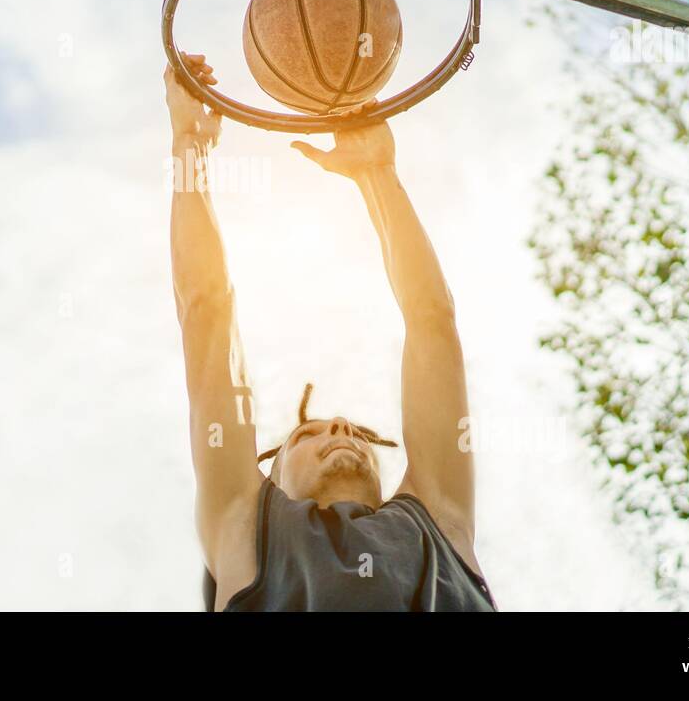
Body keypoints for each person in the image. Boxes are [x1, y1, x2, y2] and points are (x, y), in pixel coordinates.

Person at [166, 53, 496, 612]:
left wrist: (376, 173)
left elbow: (433, 321)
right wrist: (189, 146)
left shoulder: (440, 518)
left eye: (345, 430)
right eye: (308, 434)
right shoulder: (245, 521)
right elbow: (206, 310)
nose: (340, 427)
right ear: (272, 474)